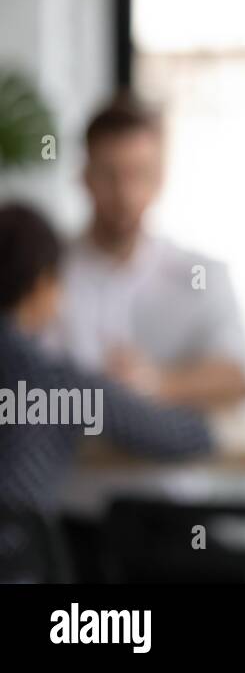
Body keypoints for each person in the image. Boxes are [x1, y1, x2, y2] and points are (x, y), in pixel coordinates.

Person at [0, 202, 214, 518]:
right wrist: (149, 386)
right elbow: (189, 437)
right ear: (44, 284)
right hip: (16, 561)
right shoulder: (55, 385)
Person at [47, 92, 245, 409]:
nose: (124, 193)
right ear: (86, 177)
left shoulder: (199, 275)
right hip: (65, 458)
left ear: (159, 179)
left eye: (138, 174)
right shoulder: (45, 271)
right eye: (109, 175)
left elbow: (238, 375)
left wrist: (157, 383)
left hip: (168, 459)